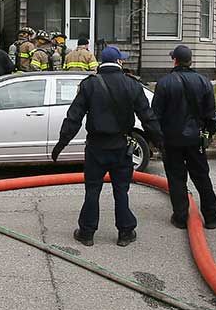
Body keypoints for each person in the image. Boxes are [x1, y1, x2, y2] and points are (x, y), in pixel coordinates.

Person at [51, 45, 163, 247]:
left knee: (92, 190)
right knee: (121, 190)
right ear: (119, 62)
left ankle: (86, 233)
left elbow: (73, 117)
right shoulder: (132, 85)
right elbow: (148, 118)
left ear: (102, 62)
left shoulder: (89, 85)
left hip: (96, 147)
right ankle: (125, 232)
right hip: (121, 146)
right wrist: (161, 143)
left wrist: (62, 143)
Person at [151, 45, 216, 230]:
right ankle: (212, 216)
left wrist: (158, 140)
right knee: (202, 178)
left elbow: (156, 116)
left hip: (172, 140)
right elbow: (210, 116)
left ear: (174, 60)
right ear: (190, 60)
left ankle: (181, 217)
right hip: (195, 139)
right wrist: (207, 135)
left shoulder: (164, 83)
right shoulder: (204, 82)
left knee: (176, 179)